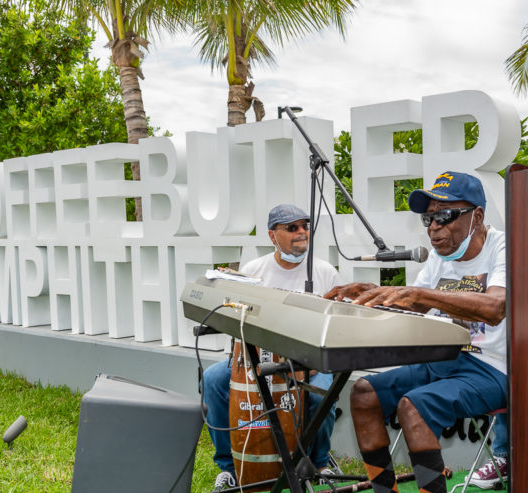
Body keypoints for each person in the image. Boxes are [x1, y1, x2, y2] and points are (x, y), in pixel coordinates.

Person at [324, 171, 509, 492]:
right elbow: (414, 304)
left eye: (444, 216)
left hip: (494, 368)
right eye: (428, 219)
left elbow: (495, 308)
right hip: (445, 360)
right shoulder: (440, 257)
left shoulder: (503, 246)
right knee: (364, 393)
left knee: (415, 406)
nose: (434, 227)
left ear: (477, 216)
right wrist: (371, 294)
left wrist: (419, 295)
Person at [202, 204, 344, 491]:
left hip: (309, 361)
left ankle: (319, 463)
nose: (302, 232)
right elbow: (239, 322)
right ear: (272, 235)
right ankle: (230, 468)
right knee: (213, 380)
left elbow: (338, 325)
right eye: (292, 228)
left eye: (305, 226)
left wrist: (314, 363)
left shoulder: (324, 272)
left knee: (321, 396)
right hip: (257, 360)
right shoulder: (254, 271)